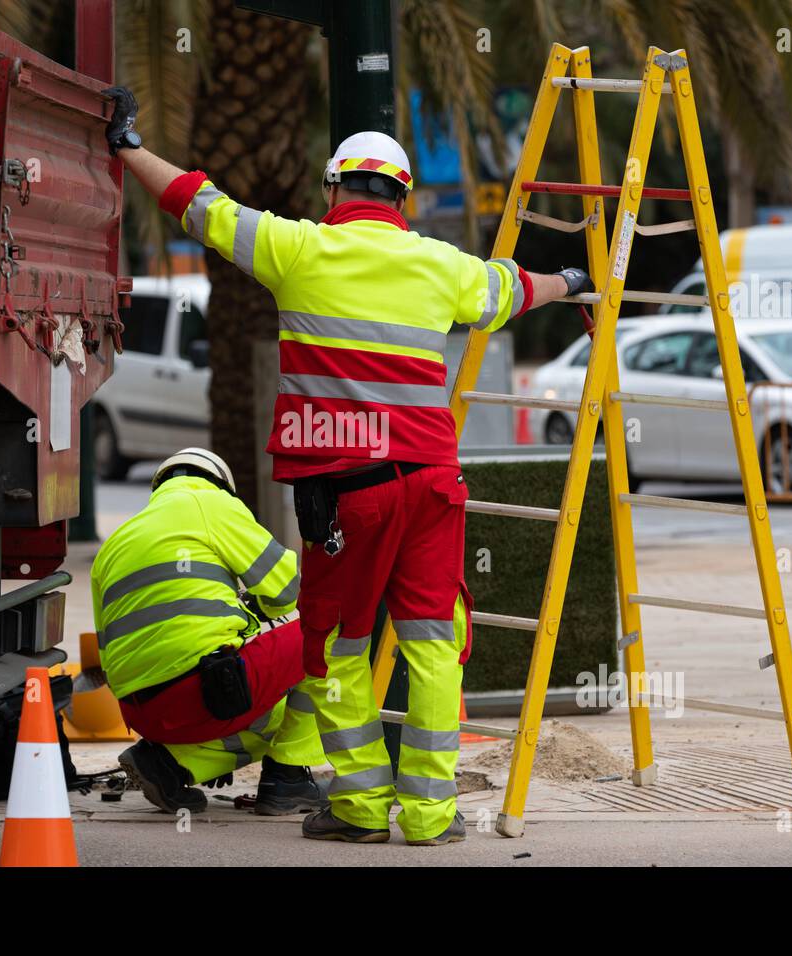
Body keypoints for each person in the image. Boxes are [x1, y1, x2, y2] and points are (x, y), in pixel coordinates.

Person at [105, 88, 590, 845]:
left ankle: (361, 810)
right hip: (433, 485)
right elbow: (513, 288)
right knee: (432, 643)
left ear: (335, 189)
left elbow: (200, 206)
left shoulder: (299, 249)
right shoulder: (441, 265)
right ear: (402, 198)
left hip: (348, 497)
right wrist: (573, 281)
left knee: (335, 649)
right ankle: (431, 816)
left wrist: (127, 145)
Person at [94, 447, 327, 817]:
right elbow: (287, 591)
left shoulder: (115, 542)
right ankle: (287, 777)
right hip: (205, 694)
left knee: (276, 707)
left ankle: (171, 764)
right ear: (222, 485)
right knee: (324, 628)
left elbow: (108, 653)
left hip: (141, 712)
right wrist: (259, 610)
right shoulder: (211, 503)